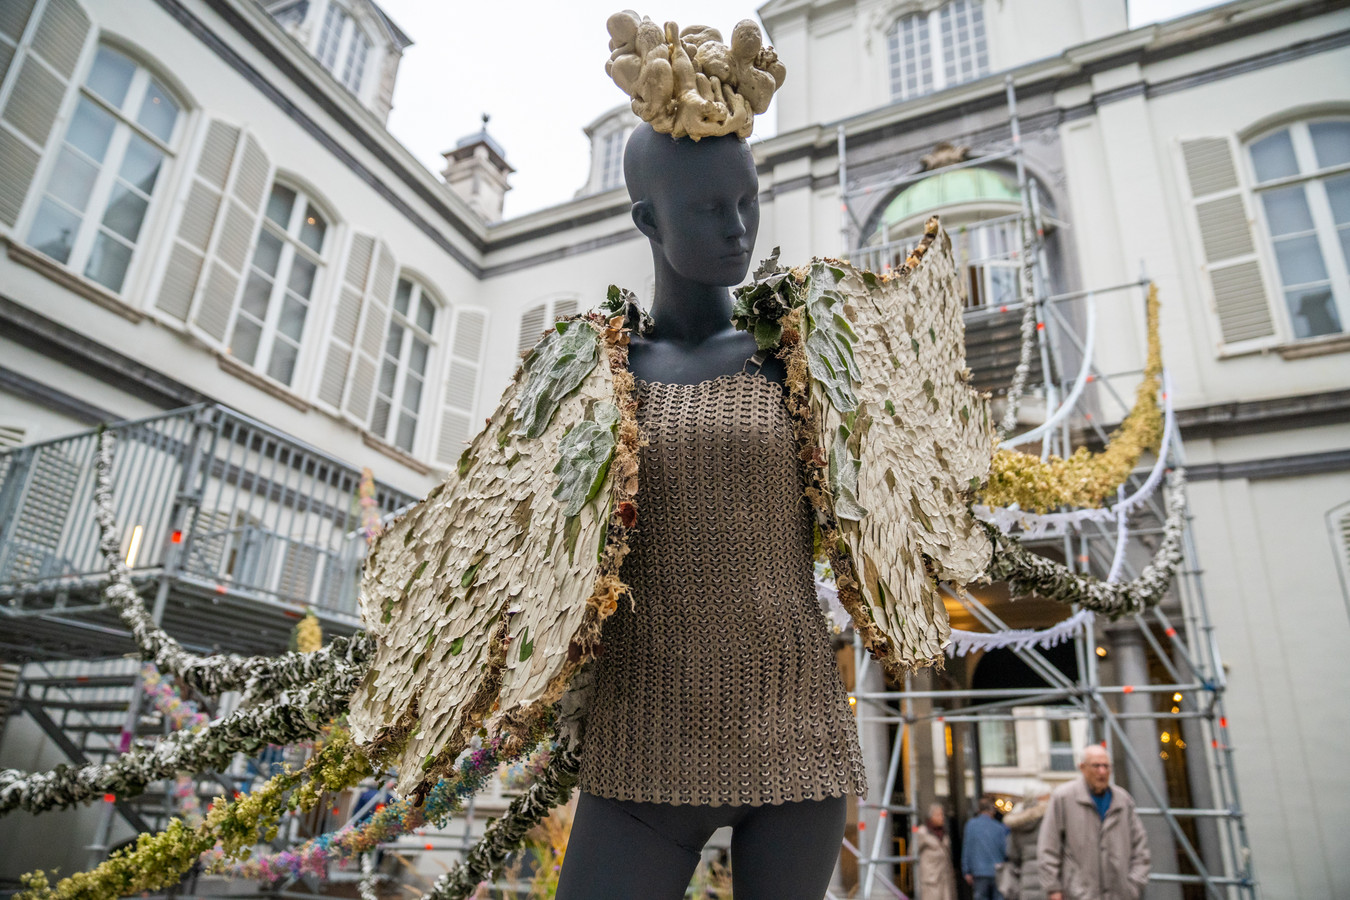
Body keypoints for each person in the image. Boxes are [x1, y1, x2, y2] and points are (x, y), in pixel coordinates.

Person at [551, 119, 866, 899]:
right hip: (641, 738)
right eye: (706, 208)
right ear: (649, 219)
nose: (737, 228)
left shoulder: (793, 353)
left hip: (794, 734)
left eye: (747, 201)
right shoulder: (601, 372)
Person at [1037, 745, 1150, 900]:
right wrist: (1053, 888)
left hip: (1120, 894)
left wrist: (1134, 884)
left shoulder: (1123, 800)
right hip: (1078, 894)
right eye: (1096, 766)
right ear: (1082, 768)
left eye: (1106, 766)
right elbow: (1049, 846)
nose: (1102, 771)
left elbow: (1140, 847)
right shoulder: (1063, 798)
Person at [1004, 792, 1051, 900]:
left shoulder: (1018, 823)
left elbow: (1012, 854)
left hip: (1026, 876)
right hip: (1048, 876)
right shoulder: (1050, 818)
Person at [963, 796, 1011, 900]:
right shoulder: (999, 828)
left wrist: (966, 870)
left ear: (978, 810)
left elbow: (967, 849)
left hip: (979, 872)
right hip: (997, 871)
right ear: (992, 811)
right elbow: (1005, 850)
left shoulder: (970, 825)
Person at [915, 803, 958, 900]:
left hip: (945, 880)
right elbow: (912, 853)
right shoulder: (922, 832)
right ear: (931, 817)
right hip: (931, 881)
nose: (942, 818)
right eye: (938, 815)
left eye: (942, 815)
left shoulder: (944, 833)